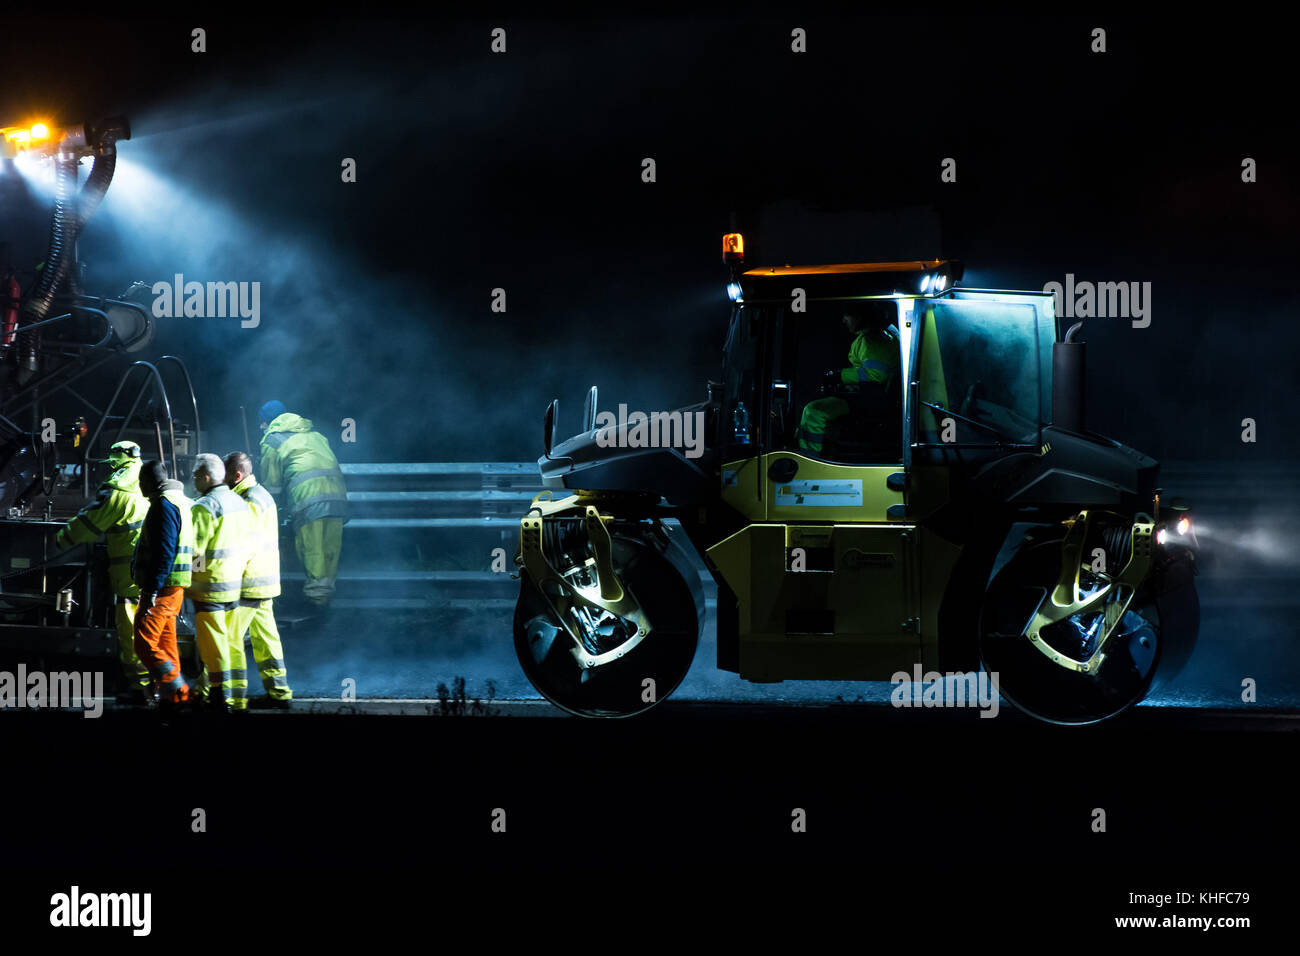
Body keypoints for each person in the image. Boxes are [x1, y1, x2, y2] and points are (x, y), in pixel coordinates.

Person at [53, 440, 152, 702]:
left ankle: (140, 689)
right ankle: (159, 686)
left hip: (128, 574)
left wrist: (61, 539)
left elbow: (90, 521)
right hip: (156, 573)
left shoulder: (117, 489)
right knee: (154, 629)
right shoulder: (149, 481)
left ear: (116, 461)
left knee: (131, 631)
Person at [257, 400, 348, 607]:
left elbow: (272, 486)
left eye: (261, 423)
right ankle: (325, 596)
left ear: (266, 422)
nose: (261, 428)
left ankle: (317, 602)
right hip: (337, 495)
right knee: (330, 549)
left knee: (312, 548)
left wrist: (271, 512)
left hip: (309, 498)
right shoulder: (316, 435)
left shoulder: (272, 439)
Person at [225, 451, 292, 709]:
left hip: (249, 582)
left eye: (226, 475)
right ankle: (279, 693)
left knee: (227, 638)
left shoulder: (247, 500)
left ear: (237, 475)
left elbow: (242, 543)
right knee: (266, 640)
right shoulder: (259, 494)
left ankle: (219, 693)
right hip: (263, 581)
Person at [188, 453, 253, 713]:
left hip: (209, 588)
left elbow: (195, 551)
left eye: (194, 476)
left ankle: (217, 697)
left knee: (212, 646)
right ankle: (235, 699)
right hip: (233, 585)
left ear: (204, 477)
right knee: (229, 642)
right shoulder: (238, 502)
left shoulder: (204, 507)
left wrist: (189, 576)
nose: (193, 481)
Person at [795, 305, 901, 457]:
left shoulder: (872, 339)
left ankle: (808, 459)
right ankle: (828, 453)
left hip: (869, 400)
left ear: (861, 316)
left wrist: (838, 375)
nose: (844, 320)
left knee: (814, 411)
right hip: (871, 398)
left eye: (848, 315)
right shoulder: (883, 335)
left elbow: (875, 375)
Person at [131, 460, 194, 710]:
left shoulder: (163, 505)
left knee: (144, 641)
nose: (139, 485)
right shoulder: (181, 501)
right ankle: (172, 699)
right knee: (166, 644)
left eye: (141, 481)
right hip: (174, 587)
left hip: (163, 587)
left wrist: (150, 591)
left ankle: (179, 689)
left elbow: (164, 552)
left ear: (149, 481)